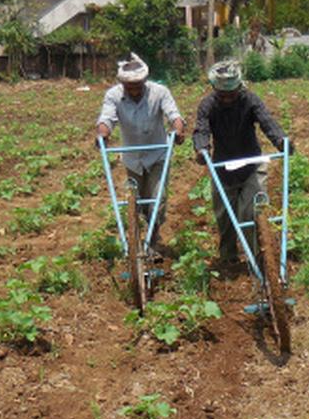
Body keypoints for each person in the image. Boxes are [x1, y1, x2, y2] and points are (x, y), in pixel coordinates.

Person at [193, 60, 287, 265]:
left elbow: (266, 121)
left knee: (251, 213)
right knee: (225, 219)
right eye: (222, 94)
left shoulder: (250, 100)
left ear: (239, 87)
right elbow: (201, 130)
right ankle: (228, 258)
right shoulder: (207, 105)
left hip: (251, 165)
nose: (227, 98)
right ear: (214, 89)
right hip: (223, 168)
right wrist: (201, 149)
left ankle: (260, 258)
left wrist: (280, 140)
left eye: (231, 93)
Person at [95, 53, 185, 251]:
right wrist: (103, 135)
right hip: (133, 157)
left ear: (145, 81)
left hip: (157, 154)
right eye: (130, 86)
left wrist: (178, 129)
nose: (134, 90)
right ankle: (136, 239)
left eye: (138, 85)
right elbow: (106, 118)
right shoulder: (113, 95)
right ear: (122, 84)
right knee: (137, 202)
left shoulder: (159, 92)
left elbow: (173, 114)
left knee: (157, 200)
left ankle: (152, 240)